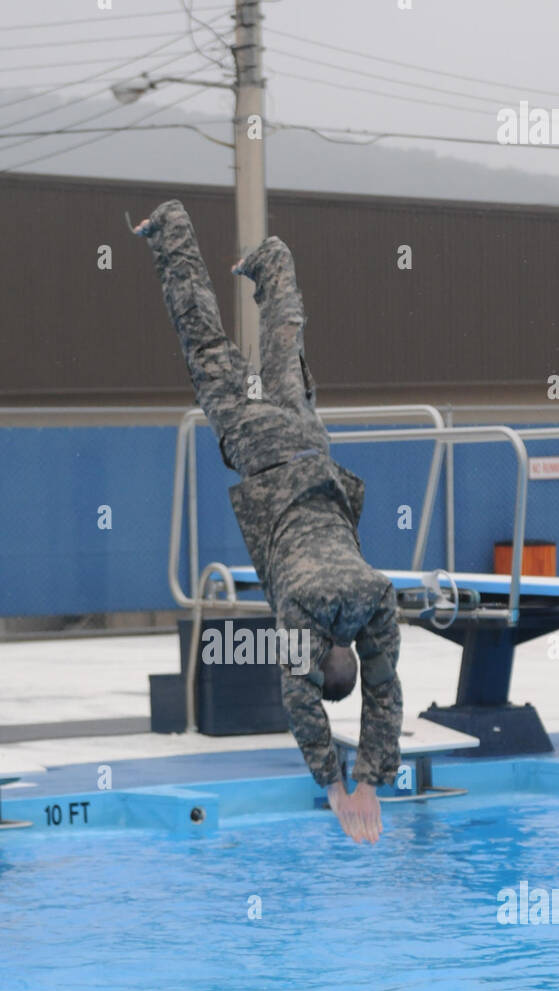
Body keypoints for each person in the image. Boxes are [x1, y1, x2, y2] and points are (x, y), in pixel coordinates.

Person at [132, 200, 402, 844]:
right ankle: (171, 229)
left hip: (311, 443)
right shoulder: (301, 613)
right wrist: (338, 788)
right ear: (320, 655)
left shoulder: (376, 594)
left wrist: (370, 777)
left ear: (350, 652)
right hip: (259, 449)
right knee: (204, 342)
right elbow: (300, 702)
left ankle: (271, 262)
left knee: (286, 341)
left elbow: (385, 694)